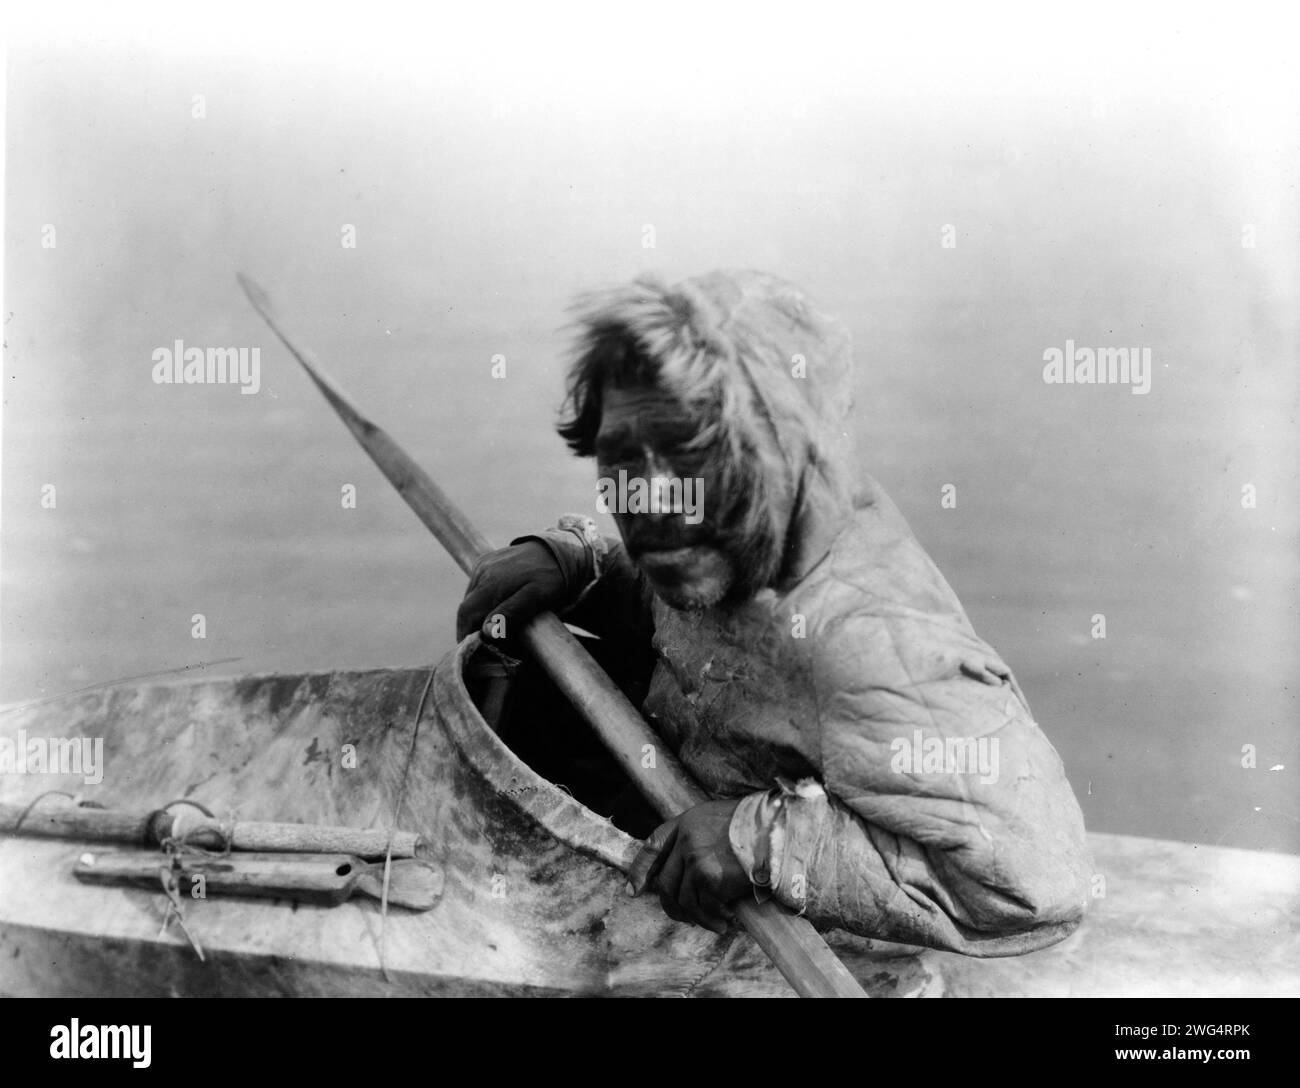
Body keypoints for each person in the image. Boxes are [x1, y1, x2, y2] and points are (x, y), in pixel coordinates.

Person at [457, 270, 1092, 954]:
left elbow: (1040, 879)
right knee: (515, 685)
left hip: (813, 917)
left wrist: (764, 843)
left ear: (782, 452)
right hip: (700, 772)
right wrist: (579, 564)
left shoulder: (871, 644)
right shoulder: (730, 536)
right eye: (620, 457)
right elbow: (699, 626)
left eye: (692, 452)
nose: (648, 504)